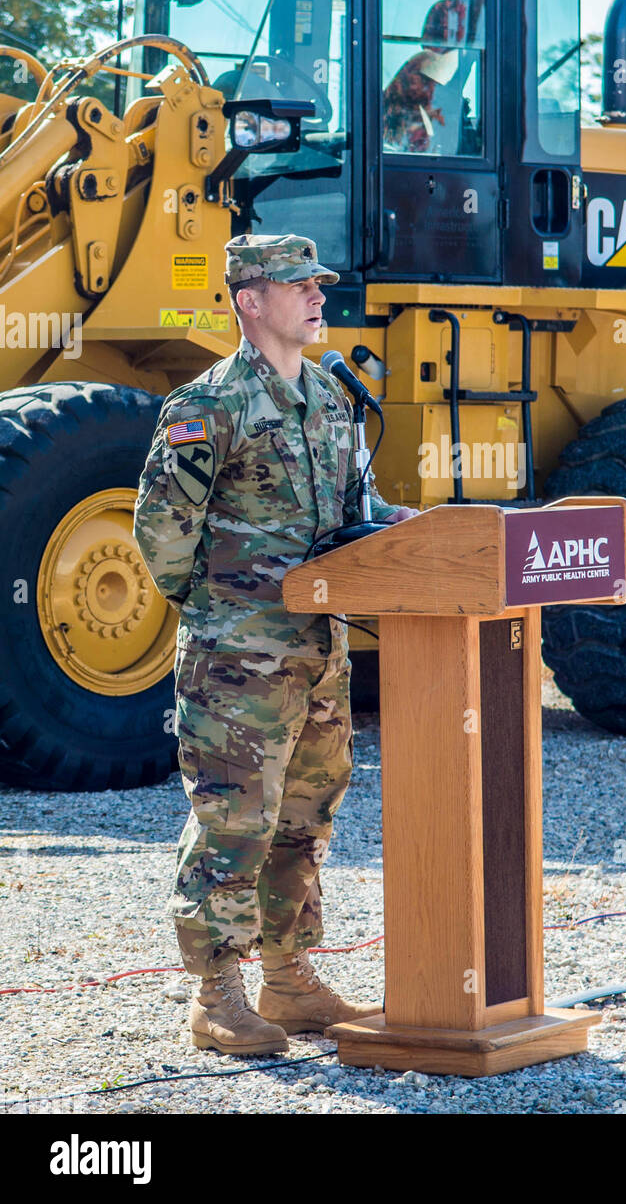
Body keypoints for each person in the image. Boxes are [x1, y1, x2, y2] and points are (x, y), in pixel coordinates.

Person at [133, 233, 418, 1055]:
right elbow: (160, 532)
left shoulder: (330, 398)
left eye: (319, 283)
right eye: (298, 284)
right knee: (234, 821)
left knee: (305, 817)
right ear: (249, 301)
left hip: (320, 655)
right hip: (235, 661)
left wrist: (402, 532)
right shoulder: (208, 406)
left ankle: (288, 980)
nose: (317, 295)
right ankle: (215, 994)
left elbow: (354, 506)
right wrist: (217, 611)